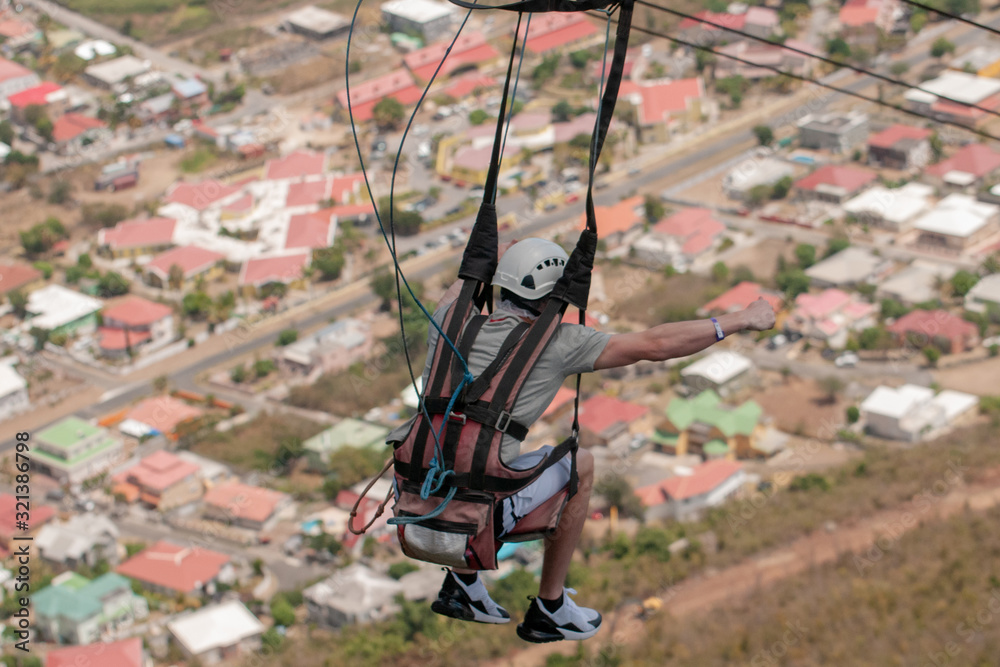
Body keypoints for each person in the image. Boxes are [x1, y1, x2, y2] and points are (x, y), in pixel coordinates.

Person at [388, 237, 776, 643]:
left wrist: (495, 251)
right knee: (581, 463)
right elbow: (655, 345)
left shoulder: (449, 320)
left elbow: (464, 280)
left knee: (464, 448)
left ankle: (463, 585)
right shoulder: (558, 342)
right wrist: (740, 319)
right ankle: (549, 607)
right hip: (478, 515)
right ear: (553, 297)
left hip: (413, 501)